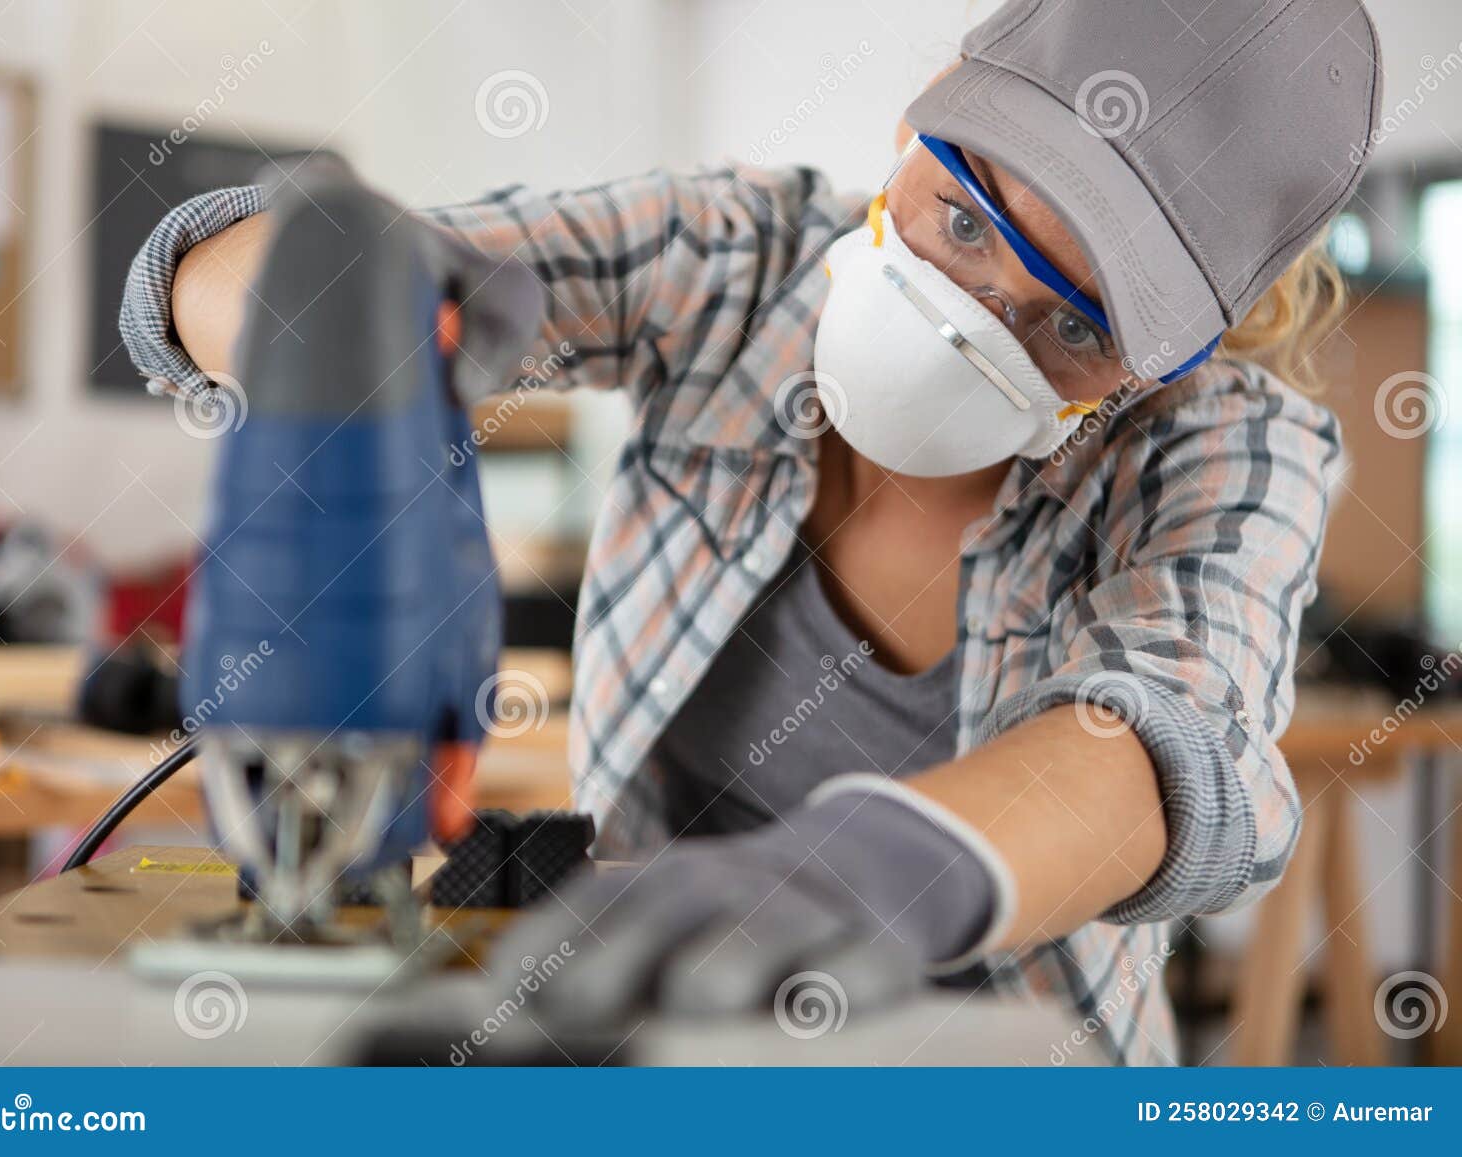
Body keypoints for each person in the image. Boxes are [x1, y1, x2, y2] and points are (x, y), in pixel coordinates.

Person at [120, 0, 1383, 1064]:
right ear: (926, 112)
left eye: (1075, 325)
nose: (974, 319)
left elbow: (1171, 740)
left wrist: (883, 867)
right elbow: (200, 284)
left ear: (1172, 351)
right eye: (960, 217)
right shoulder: (733, 260)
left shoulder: (1221, 440)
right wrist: (351, 300)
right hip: (631, 1027)